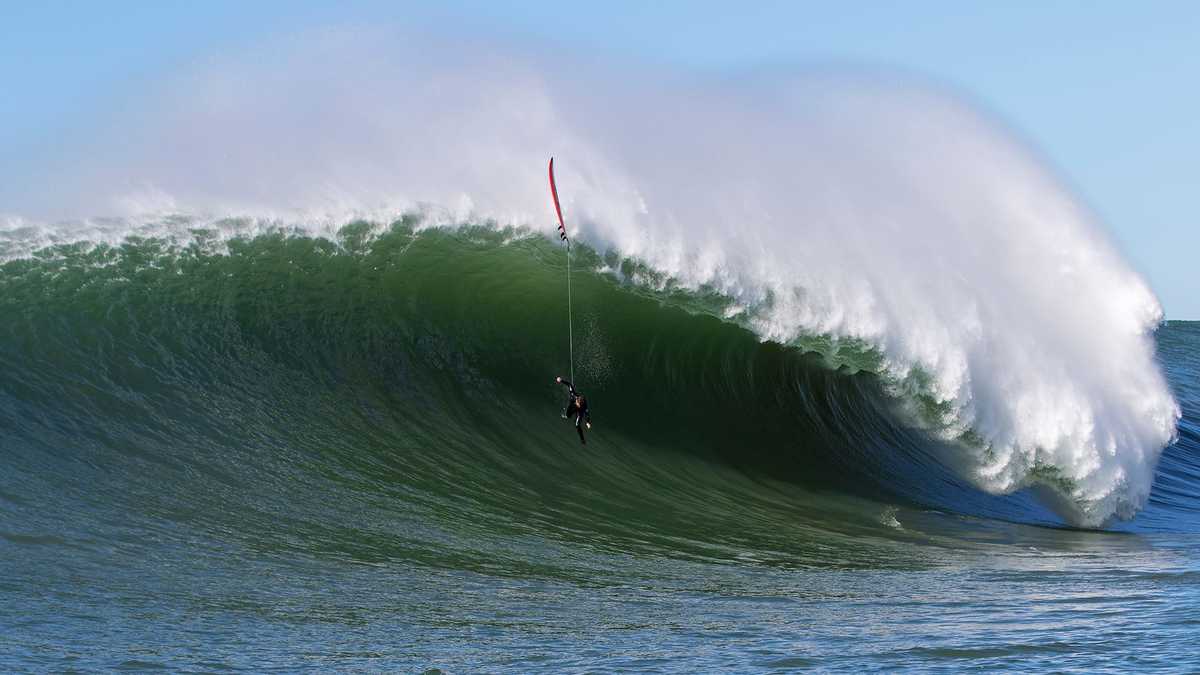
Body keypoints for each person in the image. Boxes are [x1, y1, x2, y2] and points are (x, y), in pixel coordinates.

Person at [555, 376, 592, 444]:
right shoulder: (573, 395)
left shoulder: (584, 406)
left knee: (577, 424)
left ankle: (582, 439)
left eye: (579, 405)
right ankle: (567, 415)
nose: (578, 405)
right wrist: (561, 380)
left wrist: (588, 422)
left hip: (580, 411)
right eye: (578, 404)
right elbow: (569, 384)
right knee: (568, 415)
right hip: (572, 404)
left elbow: (587, 414)